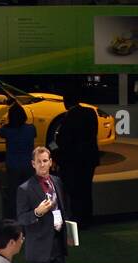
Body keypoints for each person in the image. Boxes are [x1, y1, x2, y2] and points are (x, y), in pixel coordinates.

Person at [16, 146, 71, 263]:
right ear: (33, 164)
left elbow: (63, 208)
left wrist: (68, 229)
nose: (42, 165)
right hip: (39, 245)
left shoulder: (57, 182)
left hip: (56, 241)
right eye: (39, 161)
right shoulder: (25, 189)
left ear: (50, 161)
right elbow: (21, 219)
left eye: (45, 161)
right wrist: (37, 212)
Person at [53, 86, 100, 228]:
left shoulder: (68, 119)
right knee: (86, 189)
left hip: (73, 161)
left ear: (66, 102)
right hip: (89, 159)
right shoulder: (91, 113)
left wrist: (56, 154)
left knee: (74, 191)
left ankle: (78, 220)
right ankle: (87, 218)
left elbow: (63, 141)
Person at [0, 102, 36, 221]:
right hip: (28, 164)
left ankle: (13, 218)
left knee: (13, 194)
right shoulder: (31, 129)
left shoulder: (6, 131)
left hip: (13, 165)